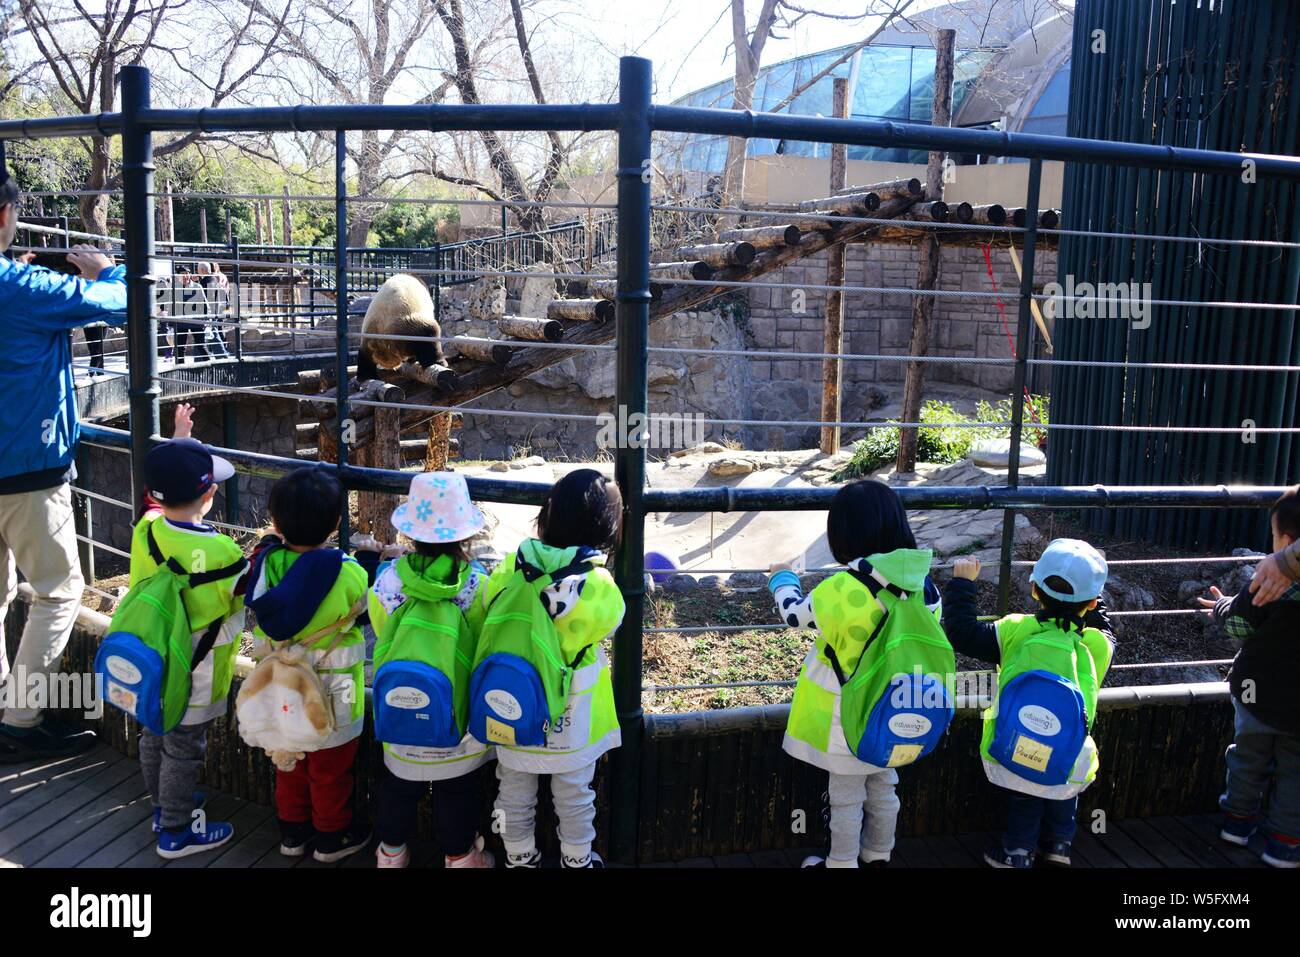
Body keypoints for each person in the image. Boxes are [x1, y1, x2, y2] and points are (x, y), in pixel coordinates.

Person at [0, 172, 127, 763]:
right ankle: (20, 720)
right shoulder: (20, 285)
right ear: (6, 217)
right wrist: (106, 269)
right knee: (59, 591)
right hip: (26, 469)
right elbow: (121, 302)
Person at [768, 479, 941, 868]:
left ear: (843, 534)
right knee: (884, 787)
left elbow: (796, 615)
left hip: (848, 713)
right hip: (900, 708)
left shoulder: (844, 587)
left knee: (845, 794)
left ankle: (841, 863)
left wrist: (781, 578)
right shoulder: (925, 587)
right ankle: (878, 856)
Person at [481, 469, 625, 868]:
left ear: (547, 517)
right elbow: (613, 622)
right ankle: (578, 859)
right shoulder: (596, 583)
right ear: (606, 529)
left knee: (510, 788)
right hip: (572, 711)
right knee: (575, 792)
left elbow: (487, 603)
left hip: (512, 700)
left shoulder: (513, 565)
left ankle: (518, 856)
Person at [943, 539, 1115, 869]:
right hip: (1070, 763)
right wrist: (1092, 588)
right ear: (1092, 603)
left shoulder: (1015, 630)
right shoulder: (1096, 645)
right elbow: (1104, 627)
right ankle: (1059, 846)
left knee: (1027, 786)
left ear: (1034, 590)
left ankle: (1017, 852)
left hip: (1011, 753)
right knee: (1066, 777)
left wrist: (963, 583)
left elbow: (962, 632)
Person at [244, 467, 371, 862]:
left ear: (277, 522)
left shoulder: (265, 567)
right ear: (336, 522)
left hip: (281, 688)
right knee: (329, 767)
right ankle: (332, 837)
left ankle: (293, 833)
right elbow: (366, 611)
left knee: (288, 760)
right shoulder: (349, 572)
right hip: (334, 693)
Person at [368, 472, 494, 869]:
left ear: (410, 534)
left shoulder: (387, 580)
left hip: (400, 709)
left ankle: (391, 853)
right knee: (457, 789)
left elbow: (380, 627)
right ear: (467, 535)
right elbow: (483, 640)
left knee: (398, 787)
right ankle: (459, 857)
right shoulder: (477, 583)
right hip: (456, 717)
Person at [132, 436, 247, 858]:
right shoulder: (221, 550)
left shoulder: (146, 529)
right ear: (209, 493)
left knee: (154, 731)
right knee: (184, 746)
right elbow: (241, 592)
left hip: (153, 653)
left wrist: (179, 439)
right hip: (196, 665)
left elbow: (156, 510)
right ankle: (176, 831)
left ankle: (163, 806)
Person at [1199, 487, 1300, 868]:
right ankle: (1286, 845)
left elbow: (1240, 626)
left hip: (1257, 693)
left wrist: (1223, 606)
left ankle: (1237, 823)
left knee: (1247, 758)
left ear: (1287, 541)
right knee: (1295, 773)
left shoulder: (1271, 581)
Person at [196, 261, 231, 359]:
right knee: (210, 335)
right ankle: (205, 358)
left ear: (202, 270)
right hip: (214, 313)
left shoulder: (209, 281)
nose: (197, 272)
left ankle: (221, 358)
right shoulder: (212, 280)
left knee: (213, 336)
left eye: (198, 270)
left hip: (209, 315)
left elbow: (208, 300)